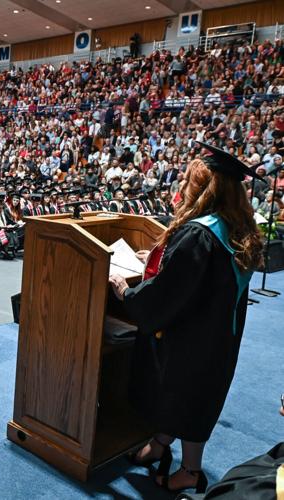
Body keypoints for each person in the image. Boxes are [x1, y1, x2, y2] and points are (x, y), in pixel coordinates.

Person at [108, 143, 264, 494]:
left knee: (186, 393)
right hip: (219, 333)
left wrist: (126, 292)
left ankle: (190, 473)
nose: (182, 188)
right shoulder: (235, 226)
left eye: (187, 183)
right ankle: (160, 444)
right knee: (195, 394)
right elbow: (207, 276)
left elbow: (171, 291)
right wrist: (164, 259)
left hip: (193, 337)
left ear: (202, 190)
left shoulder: (199, 233)